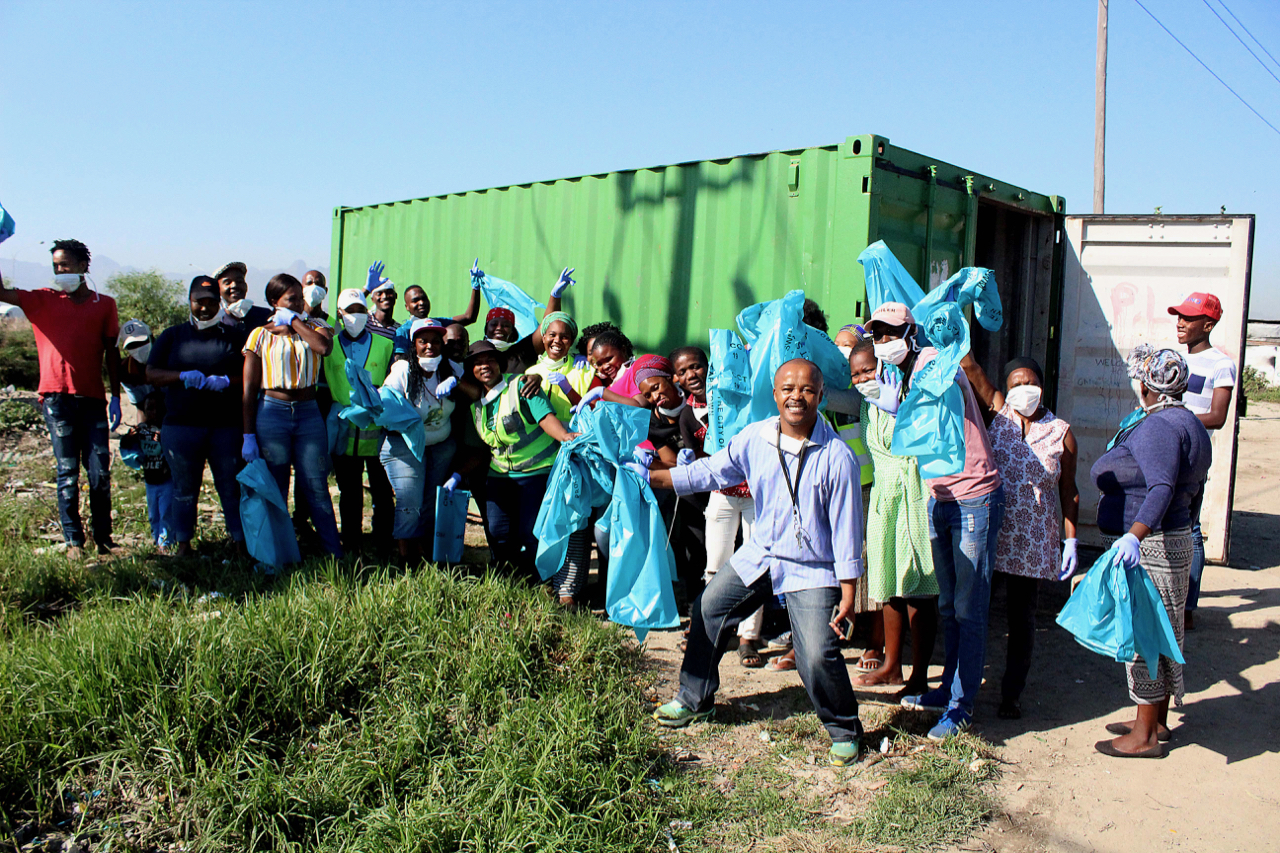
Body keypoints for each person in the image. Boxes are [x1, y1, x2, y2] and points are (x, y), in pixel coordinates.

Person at [646, 359, 865, 766]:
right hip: (761, 552)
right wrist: (659, 477)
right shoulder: (756, 437)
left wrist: (848, 593)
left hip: (811, 567)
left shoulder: (838, 456)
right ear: (775, 392)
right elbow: (713, 471)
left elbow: (848, 532)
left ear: (819, 395)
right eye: (787, 388)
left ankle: (845, 728)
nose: (796, 397)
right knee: (708, 608)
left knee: (816, 653)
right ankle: (695, 699)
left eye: (806, 389)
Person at [883, 301, 1005, 741]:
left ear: (913, 335)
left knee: (969, 609)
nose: (883, 343)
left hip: (974, 496)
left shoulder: (935, 363)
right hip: (941, 497)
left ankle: (961, 706)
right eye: (877, 335)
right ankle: (947, 690)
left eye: (891, 333)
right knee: (950, 604)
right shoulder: (903, 372)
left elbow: (946, 388)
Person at [1091, 345, 1210, 758]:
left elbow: (1160, 486)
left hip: (1152, 547)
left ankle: (1143, 737)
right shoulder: (1189, 422)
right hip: (1172, 539)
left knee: (1145, 636)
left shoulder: (1160, 427)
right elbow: (1191, 490)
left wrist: (1135, 536)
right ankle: (1154, 719)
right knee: (1162, 633)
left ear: (1147, 386)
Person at [0, 239, 122, 557]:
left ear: (83, 266)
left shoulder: (104, 304)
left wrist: (117, 397)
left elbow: (112, 352)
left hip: (92, 399)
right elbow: (1, 293)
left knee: (99, 473)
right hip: (56, 400)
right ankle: (73, 542)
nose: (60, 270)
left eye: (65, 264)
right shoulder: (42, 300)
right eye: (56, 265)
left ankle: (104, 540)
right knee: (67, 471)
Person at [988, 357, 1079, 720]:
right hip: (993, 534)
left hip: (1034, 540)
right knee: (975, 612)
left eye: (1030, 381)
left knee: (1022, 620)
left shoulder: (1061, 431)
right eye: (1015, 383)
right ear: (1006, 389)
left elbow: (1069, 491)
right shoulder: (997, 418)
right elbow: (973, 371)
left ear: (1042, 386)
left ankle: (1012, 694)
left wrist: (1071, 539)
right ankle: (961, 687)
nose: (1022, 388)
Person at [852, 309, 937, 697]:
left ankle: (919, 673)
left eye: (867, 370)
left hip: (913, 494)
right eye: (856, 374)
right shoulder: (869, 404)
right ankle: (891, 665)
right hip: (885, 496)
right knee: (886, 580)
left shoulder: (912, 384)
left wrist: (899, 403)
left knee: (917, 582)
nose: (863, 378)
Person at [673, 345, 766, 664]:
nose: (692, 375)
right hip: (722, 496)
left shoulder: (733, 398)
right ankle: (714, 630)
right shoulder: (687, 414)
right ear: (677, 379)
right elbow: (699, 459)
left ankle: (748, 637)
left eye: (697, 366)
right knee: (715, 565)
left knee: (756, 565)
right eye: (683, 372)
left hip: (756, 495)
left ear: (709, 367)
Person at [241, 273, 342, 558]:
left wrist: (295, 320)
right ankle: (276, 555)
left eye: (300, 297)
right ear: (274, 302)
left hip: (309, 413)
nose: (298, 303)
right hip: (272, 413)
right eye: (291, 300)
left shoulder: (316, 327)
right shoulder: (259, 335)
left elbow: (323, 348)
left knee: (317, 486)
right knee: (276, 487)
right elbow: (249, 389)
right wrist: (248, 435)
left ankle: (334, 554)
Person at [146, 276, 247, 557]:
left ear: (220, 303)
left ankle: (239, 542)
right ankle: (183, 544)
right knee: (184, 488)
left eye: (211, 302)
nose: (204, 308)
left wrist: (228, 381)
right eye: (198, 302)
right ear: (189, 302)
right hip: (181, 427)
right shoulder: (172, 336)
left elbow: (251, 376)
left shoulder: (234, 336)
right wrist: (179, 376)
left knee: (230, 485)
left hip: (224, 428)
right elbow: (151, 373)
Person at [460, 340, 578, 580]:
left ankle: (537, 580)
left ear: (500, 364)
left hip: (537, 471)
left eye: (490, 360)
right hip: (500, 474)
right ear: (471, 370)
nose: (485, 366)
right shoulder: (476, 406)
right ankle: (509, 579)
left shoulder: (521, 386)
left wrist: (564, 436)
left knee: (530, 531)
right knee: (497, 531)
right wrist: (457, 474)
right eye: (478, 363)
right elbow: (484, 447)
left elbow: (545, 417)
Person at [1168, 292, 1235, 631]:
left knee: (1190, 528)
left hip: (1192, 455)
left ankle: (1187, 607)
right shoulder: (1175, 360)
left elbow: (1218, 416)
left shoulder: (1221, 364)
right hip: (1166, 452)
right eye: (1179, 316)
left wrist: (1177, 417)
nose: (1180, 322)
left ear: (1207, 325)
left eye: (1189, 318)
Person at [524, 311, 598, 607]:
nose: (557, 341)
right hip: (540, 459)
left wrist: (569, 383)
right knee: (545, 521)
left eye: (564, 336)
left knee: (575, 523)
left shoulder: (583, 369)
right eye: (551, 335)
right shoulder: (530, 370)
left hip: (576, 457)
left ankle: (568, 590)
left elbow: (589, 408)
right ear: (543, 337)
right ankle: (545, 580)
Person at [380, 318, 462, 560]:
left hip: (440, 446)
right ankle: (407, 560)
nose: (430, 346)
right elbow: (386, 405)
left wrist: (457, 383)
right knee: (410, 501)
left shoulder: (452, 369)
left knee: (430, 501)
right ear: (413, 344)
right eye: (423, 341)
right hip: (404, 445)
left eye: (436, 341)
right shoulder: (403, 370)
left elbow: (474, 389)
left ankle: (427, 550)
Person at [324, 288, 396, 556]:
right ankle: (351, 541)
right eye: (349, 311)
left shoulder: (384, 345)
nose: (356, 316)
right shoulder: (329, 348)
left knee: (381, 491)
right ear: (340, 314)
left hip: (377, 431)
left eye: (360, 310)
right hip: (343, 430)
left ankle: (383, 541)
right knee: (349, 491)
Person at [472, 266, 579, 376]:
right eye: (494, 324)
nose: (499, 328)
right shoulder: (476, 351)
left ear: (513, 331)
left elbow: (548, 325)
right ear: (486, 328)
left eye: (505, 325)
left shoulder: (522, 352)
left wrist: (555, 296)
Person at [369, 260, 481, 359]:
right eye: (415, 300)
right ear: (407, 307)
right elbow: (399, 360)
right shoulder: (403, 331)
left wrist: (475, 288)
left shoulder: (437, 324)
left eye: (424, 299)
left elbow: (469, 317)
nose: (421, 303)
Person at [120, 391, 175, 549]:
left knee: (166, 511)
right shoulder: (141, 432)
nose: (154, 413)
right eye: (150, 409)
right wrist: (130, 436)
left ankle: (166, 543)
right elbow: (126, 445)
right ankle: (155, 538)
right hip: (150, 480)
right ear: (143, 411)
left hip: (166, 479)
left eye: (158, 409)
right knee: (153, 514)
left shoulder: (165, 430)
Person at [214, 262, 273, 331]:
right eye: (227, 282)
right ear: (218, 289)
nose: (234, 285)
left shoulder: (264, 316)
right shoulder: (216, 321)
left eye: (239, 281)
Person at [118, 318, 154, 410]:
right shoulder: (126, 370)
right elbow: (140, 407)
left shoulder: (169, 359)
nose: (138, 349)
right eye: (132, 346)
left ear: (151, 338)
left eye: (141, 342)